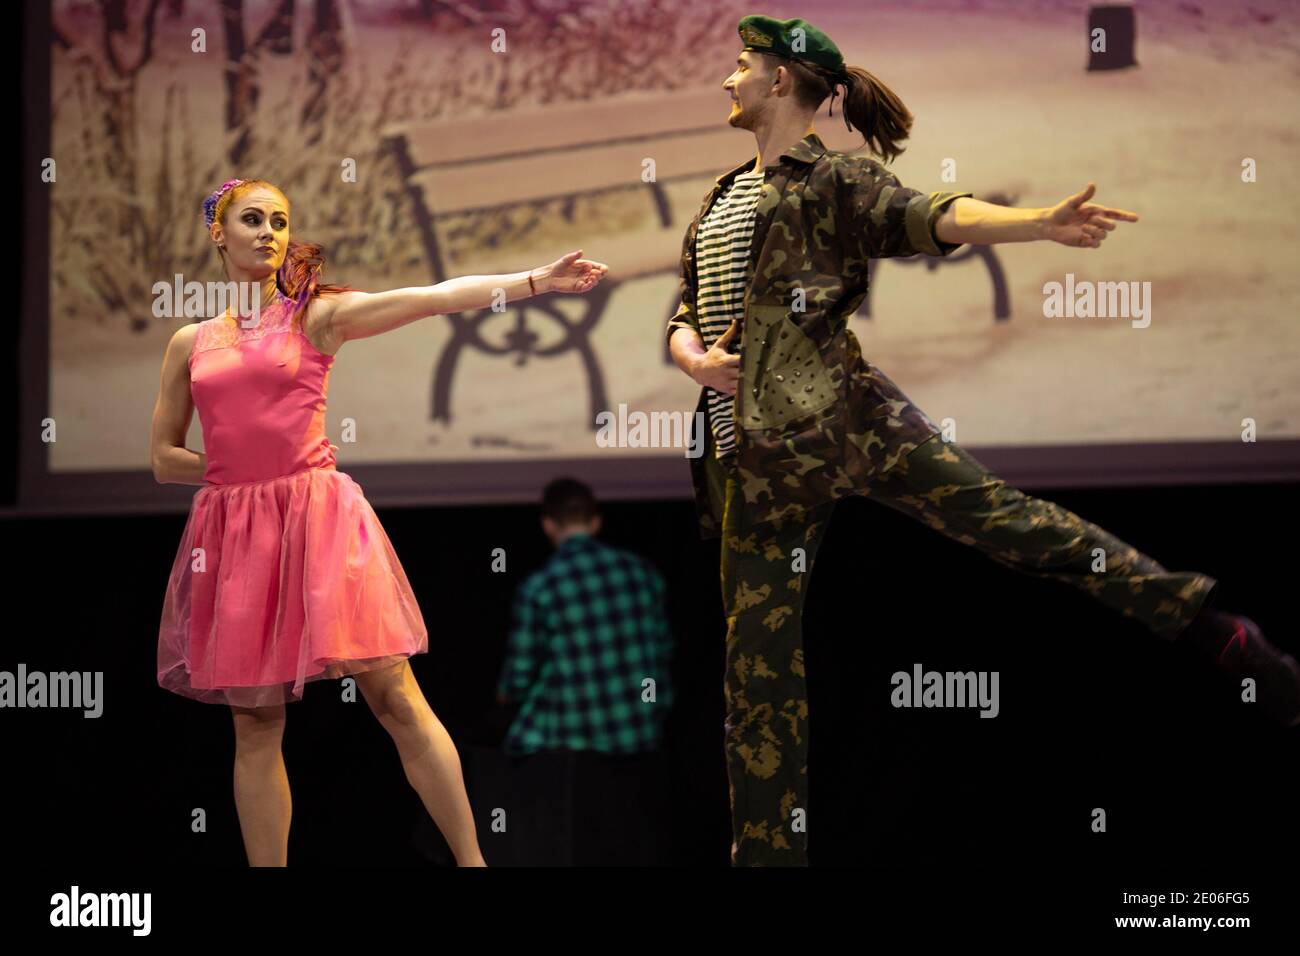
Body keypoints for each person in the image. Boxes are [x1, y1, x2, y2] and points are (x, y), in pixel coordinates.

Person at [664, 14, 1300, 867]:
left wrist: (1038, 222)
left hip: (853, 424)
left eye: (741, 65)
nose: (727, 78)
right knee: (758, 681)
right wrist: (697, 361)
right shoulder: (719, 197)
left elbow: (933, 215)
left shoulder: (835, 181)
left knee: (1014, 525)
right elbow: (685, 313)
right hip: (758, 461)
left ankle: (1206, 624)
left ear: (782, 80)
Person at [151, 177, 607, 866]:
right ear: (218, 232)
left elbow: (431, 298)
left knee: (394, 696)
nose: (269, 231)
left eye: (280, 220)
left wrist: (535, 281)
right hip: (237, 533)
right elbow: (163, 458)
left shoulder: (314, 318)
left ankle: (472, 862)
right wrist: (229, 478)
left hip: (318, 519)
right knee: (254, 724)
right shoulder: (192, 341)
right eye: (252, 219)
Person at [494, 477, 674, 865]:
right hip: (639, 740)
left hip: (569, 754)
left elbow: (519, 676)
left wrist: (507, 691)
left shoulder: (540, 587)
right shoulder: (642, 573)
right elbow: (662, 654)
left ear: (548, 524)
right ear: (595, 521)